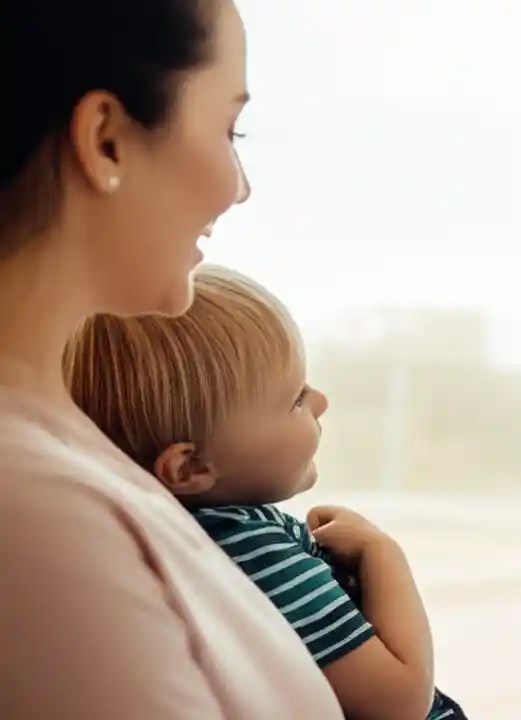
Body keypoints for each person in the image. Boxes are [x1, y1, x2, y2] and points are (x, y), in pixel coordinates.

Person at [0, 0, 343, 716]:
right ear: (107, 141)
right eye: (229, 128)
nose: (239, 186)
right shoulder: (34, 516)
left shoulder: (67, 449)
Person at [64, 265, 469, 720]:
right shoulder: (247, 552)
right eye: (295, 399)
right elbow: (399, 704)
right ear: (190, 467)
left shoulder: (173, 533)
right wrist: (382, 553)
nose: (320, 401)